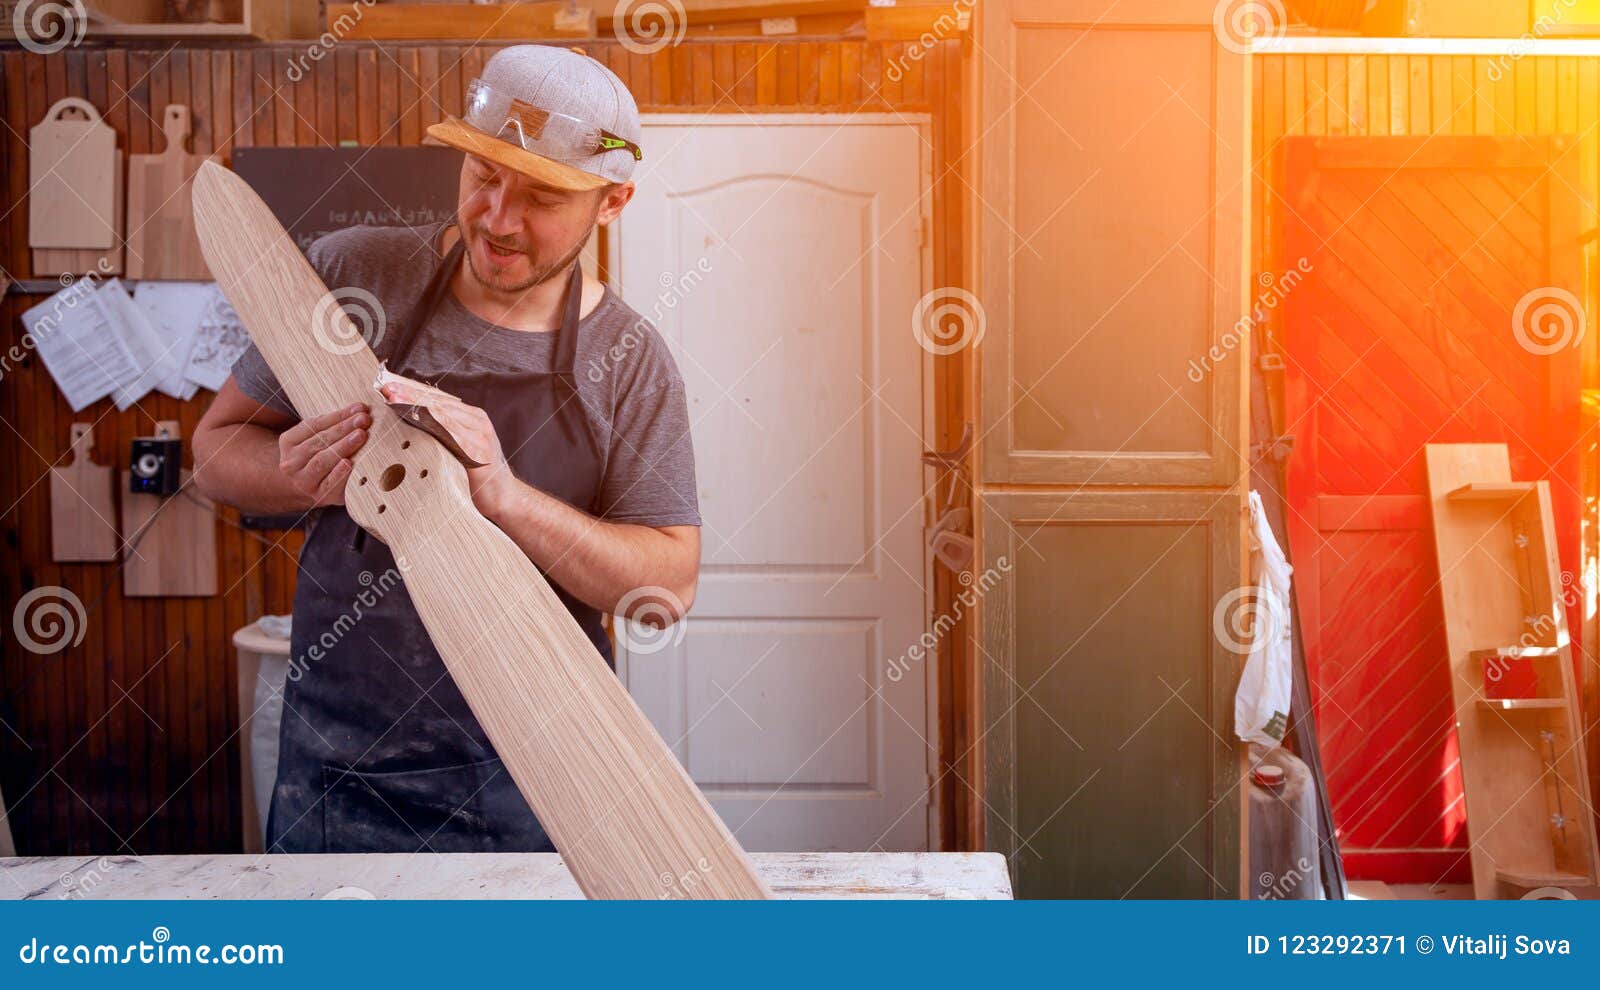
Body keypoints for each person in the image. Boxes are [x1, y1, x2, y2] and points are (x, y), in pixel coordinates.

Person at [193, 44, 699, 853]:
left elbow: (665, 588)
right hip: (343, 765)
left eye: (539, 196)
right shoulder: (355, 276)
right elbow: (215, 450)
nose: (498, 219)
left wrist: (501, 497)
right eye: (482, 177)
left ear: (612, 201)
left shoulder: (629, 362)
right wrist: (300, 476)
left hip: (545, 777)